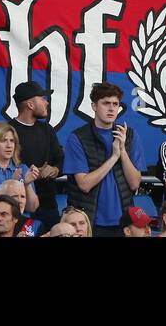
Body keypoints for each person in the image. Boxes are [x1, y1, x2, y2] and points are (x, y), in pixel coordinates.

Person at [63, 82, 143, 237]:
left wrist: (122, 151)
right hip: (90, 221)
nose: (112, 108)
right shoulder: (78, 137)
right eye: (106, 103)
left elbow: (134, 184)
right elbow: (84, 184)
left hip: (123, 221)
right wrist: (114, 157)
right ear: (94, 106)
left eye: (116, 104)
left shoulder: (130, 135)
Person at [8, 80, 62, 227]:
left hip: (48, 205)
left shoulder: (47, 130)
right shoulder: (8, 132)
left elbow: (60, 159)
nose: (47, 103)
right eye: (43, 99)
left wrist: (55, 169)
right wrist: (33, 174)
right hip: (18, 206)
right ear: (30, 105)